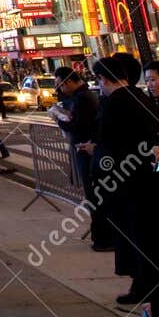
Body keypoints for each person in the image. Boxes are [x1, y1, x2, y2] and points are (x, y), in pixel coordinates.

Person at [92, 53, 159, 309]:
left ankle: (142, 286)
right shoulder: (140, 97)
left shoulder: (114, 103)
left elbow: (109, 143)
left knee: (135, 236)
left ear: (103, 78)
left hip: (126, 181)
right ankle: (146, 284)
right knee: (145, 235)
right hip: (146, 178)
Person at [52, 67, 109, 250]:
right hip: (86, 149)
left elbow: (78, 125)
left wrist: (59, 119)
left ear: (69, 82)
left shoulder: (84, 98)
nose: (59, 89)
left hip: (88, 150)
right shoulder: (80, 97)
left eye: (60, 84)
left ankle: (103, 238)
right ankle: (101, 237)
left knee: (95, 195)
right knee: (93, 195)